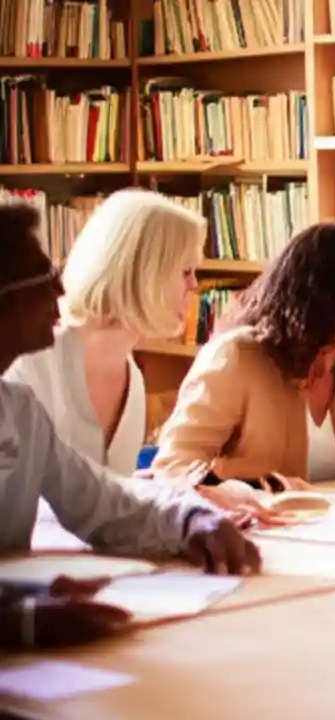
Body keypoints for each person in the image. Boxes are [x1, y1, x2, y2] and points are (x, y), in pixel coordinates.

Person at [0, 203, 260, 649]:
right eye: (43, 280)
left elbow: (101, 498)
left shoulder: (20, 409)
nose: (61, 289)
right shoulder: (32, 386)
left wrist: (189, 517)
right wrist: (19, 622)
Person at [150, 222, 335, 509]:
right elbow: (173, 469)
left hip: (329, 537)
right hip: (253, 535)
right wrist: (259, 494)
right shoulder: (237, 357)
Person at [5, 189, 203, 475]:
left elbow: (104, 495)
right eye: (186, 271)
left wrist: (187, 495)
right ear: (144, 274)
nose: (195, 285)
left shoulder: (131, 378)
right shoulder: (29, 364)